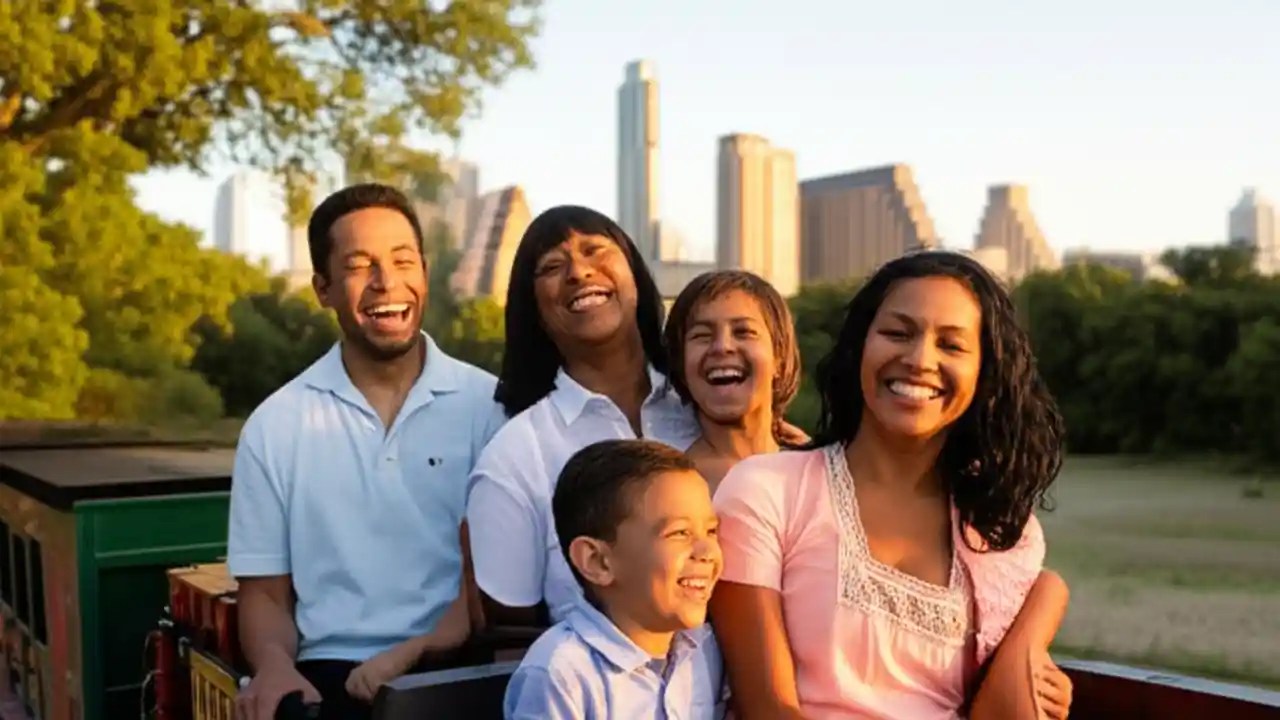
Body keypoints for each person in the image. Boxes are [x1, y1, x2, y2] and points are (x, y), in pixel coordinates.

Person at [709, 250, 1074, 719]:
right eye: (897, 333)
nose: (920, 359)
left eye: (952, 345)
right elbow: (766, 710)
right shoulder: (765, 491)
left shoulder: (1003, 530)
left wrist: (1042, 606)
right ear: (860, 345)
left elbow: (1004, 713)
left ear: (986, 371)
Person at [228, 184, 506, 720]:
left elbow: (497, 576)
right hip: (330, 676)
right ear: (323, 288)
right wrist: (273, 664)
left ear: (424, 271)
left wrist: (422, 648)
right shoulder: (276, 425)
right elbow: (263, 593)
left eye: (403, 261)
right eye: (360, 266)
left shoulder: (488, 407)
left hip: (461, 665)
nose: (386, 282)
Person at [465, 206, 703, 628]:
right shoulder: (518, 454)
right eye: (552, 266)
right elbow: (508, 639)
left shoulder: (705, 407)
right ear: (533, 308)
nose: (578, 272)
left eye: (595, 250)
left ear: (634, 273)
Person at [503, 439, 725, 719]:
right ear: (598, 562)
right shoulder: (561, 673)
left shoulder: (705, 649)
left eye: (711, 531)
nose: (706, 552)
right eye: (679, 533)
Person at [663, 270, 802, 491]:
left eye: (744, 332)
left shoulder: (823, 470)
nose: (722, 347)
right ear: (681, 365)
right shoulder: (667, 484)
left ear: (779, 355)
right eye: (702, 336)